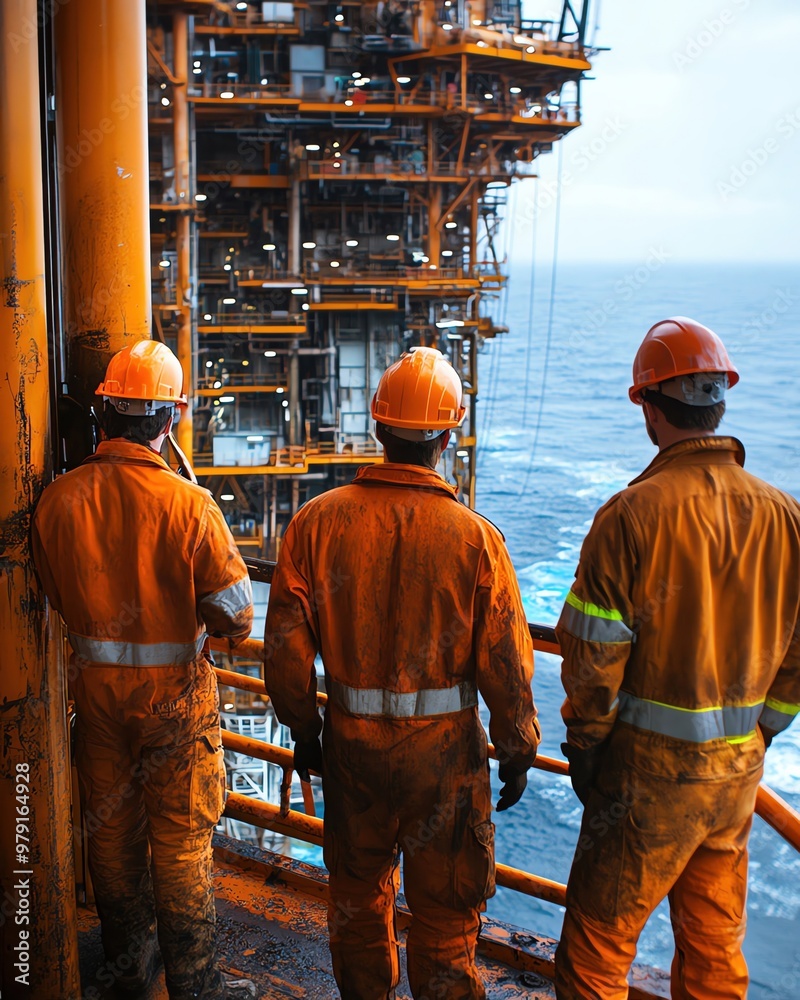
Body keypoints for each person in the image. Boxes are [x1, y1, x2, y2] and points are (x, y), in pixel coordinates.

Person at [263, 346, 539, 1000]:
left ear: (379, 429)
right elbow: (507, 667)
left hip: (354, 750)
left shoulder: (316, 524)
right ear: (448, 436)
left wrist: (306, 732)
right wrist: (519, 750)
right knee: (445, 922)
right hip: (443, 762)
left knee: (359, 906)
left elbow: (283, 655)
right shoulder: (476, 540)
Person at [554, 317, 800, 999]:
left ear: (649, 407)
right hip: (735, 775)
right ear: (720, 402)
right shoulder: (786, 515)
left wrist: (587, 747)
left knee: (598, 947)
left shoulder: (629, 516)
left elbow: (594, 658)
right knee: (715, 947)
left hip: (646, 777)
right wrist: (764, 730)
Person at [31, 341, 257, 1000]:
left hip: (96, 701)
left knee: (111, 835)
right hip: (175, 707)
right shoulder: (189, 507)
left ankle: (126, 963)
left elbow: (51, 592)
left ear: (103, 414)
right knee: (182, 846)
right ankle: (195, 984)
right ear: (171, 420)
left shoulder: (58, 501)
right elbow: (234, 616)